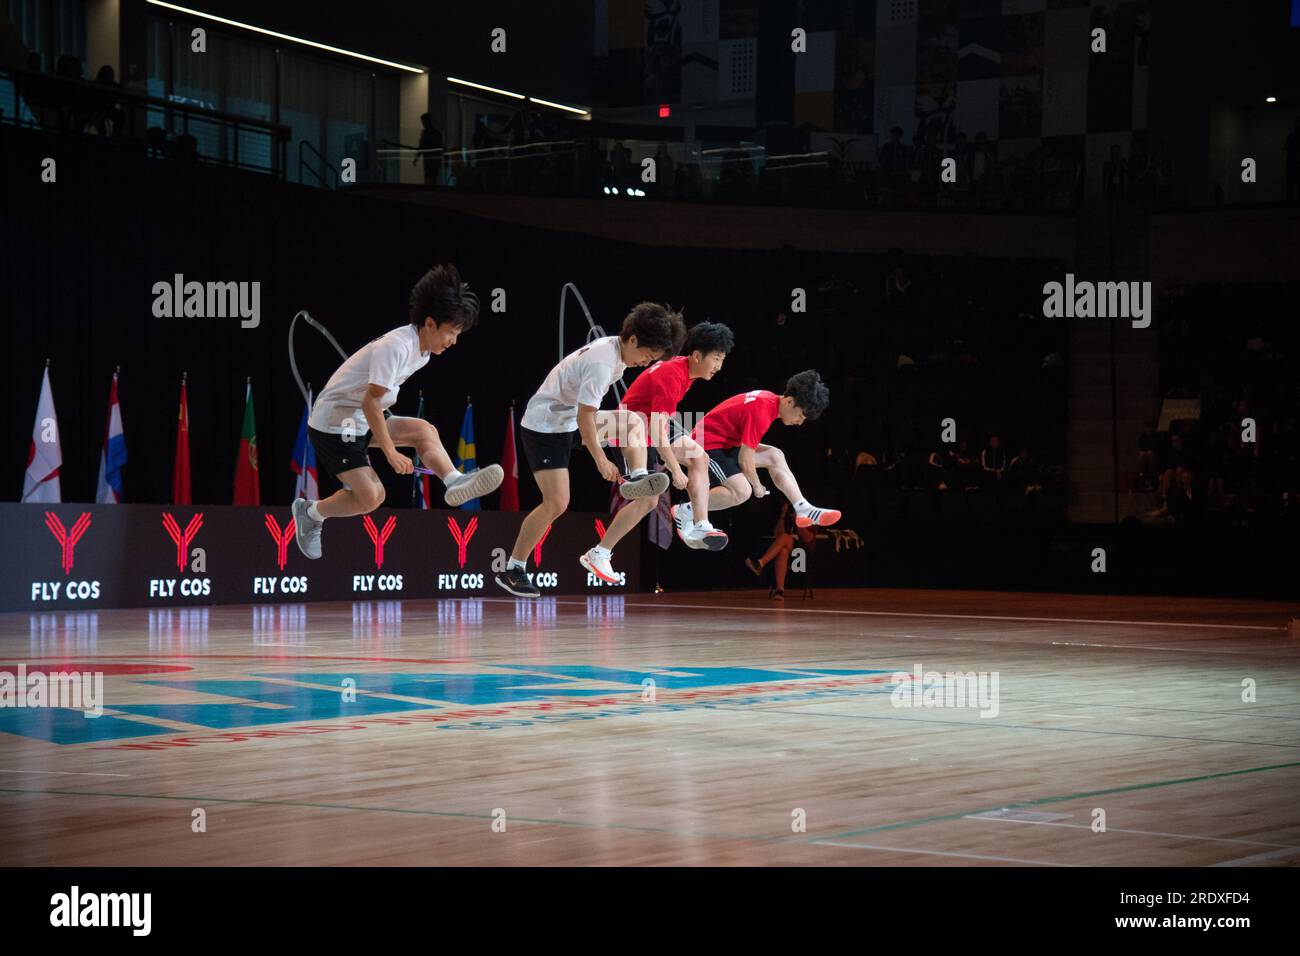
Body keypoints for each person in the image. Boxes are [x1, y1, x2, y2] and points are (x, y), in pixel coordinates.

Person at [291, 264, 503, 559]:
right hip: (335, 426)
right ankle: (311, 513)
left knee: (424, 432)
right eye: (452, 332)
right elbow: (371, 403)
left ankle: (455, 481)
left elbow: (374, 403)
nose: (454, 341)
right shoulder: (396, 347)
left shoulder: (423, 353)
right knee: (372, 497)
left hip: (361, 418)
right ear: (430, 323)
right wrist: (390, 452)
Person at [493, 303, 685, 597]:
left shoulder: (618, 352)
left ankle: (637, 477)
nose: (646, 363)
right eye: (647, 355)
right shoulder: (602, 363)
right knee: (556, 503)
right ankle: (514, 568)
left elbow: (584, 417)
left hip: (569, 420)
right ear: (633, 339)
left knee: (633, 420)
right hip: (545, 427)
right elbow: (586, 418)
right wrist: (601, 459)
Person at [579, 321, 734, 584]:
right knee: (648, 501)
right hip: (629, 431)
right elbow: (658, 431)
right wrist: (675, 470)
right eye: (716, 359)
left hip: (651, 424)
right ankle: (599, 553)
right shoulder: (672, 376)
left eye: (722, 359)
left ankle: (697, 522)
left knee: (700, 457)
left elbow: (662, 425)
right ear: (697, 355)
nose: (719, 366)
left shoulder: (687, 371)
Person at [672, 370, 839, 551]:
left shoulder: (769, 400)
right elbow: (745, 460)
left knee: (776, 455)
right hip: (707, 445)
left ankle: (803, 507)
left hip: (727, 444)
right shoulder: (761, 411)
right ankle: (686, 510)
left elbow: (745, 453)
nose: (800, 422)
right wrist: (757, 485)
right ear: (790, 402)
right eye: (801, 416)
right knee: (743, 491)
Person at [744, 501, 815, 602]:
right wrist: (783, 515)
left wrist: (798, 520)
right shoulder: (786, 518)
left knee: (785, 538)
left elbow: (808, 538)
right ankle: (780, 590)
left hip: (802, 554)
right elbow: (777, 535)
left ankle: (760, 564)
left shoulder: (809, 517)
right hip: (789, 550)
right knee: (782, 550)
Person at [413, 113, 443, 186]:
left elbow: (421, 146)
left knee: (430, 177)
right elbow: (422, 146)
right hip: (431, 159)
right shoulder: (435, 133)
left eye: (424, 122)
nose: (423, 124)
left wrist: (417, 158)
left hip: (431, 159)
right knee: (430, 177)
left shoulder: (430, 134)